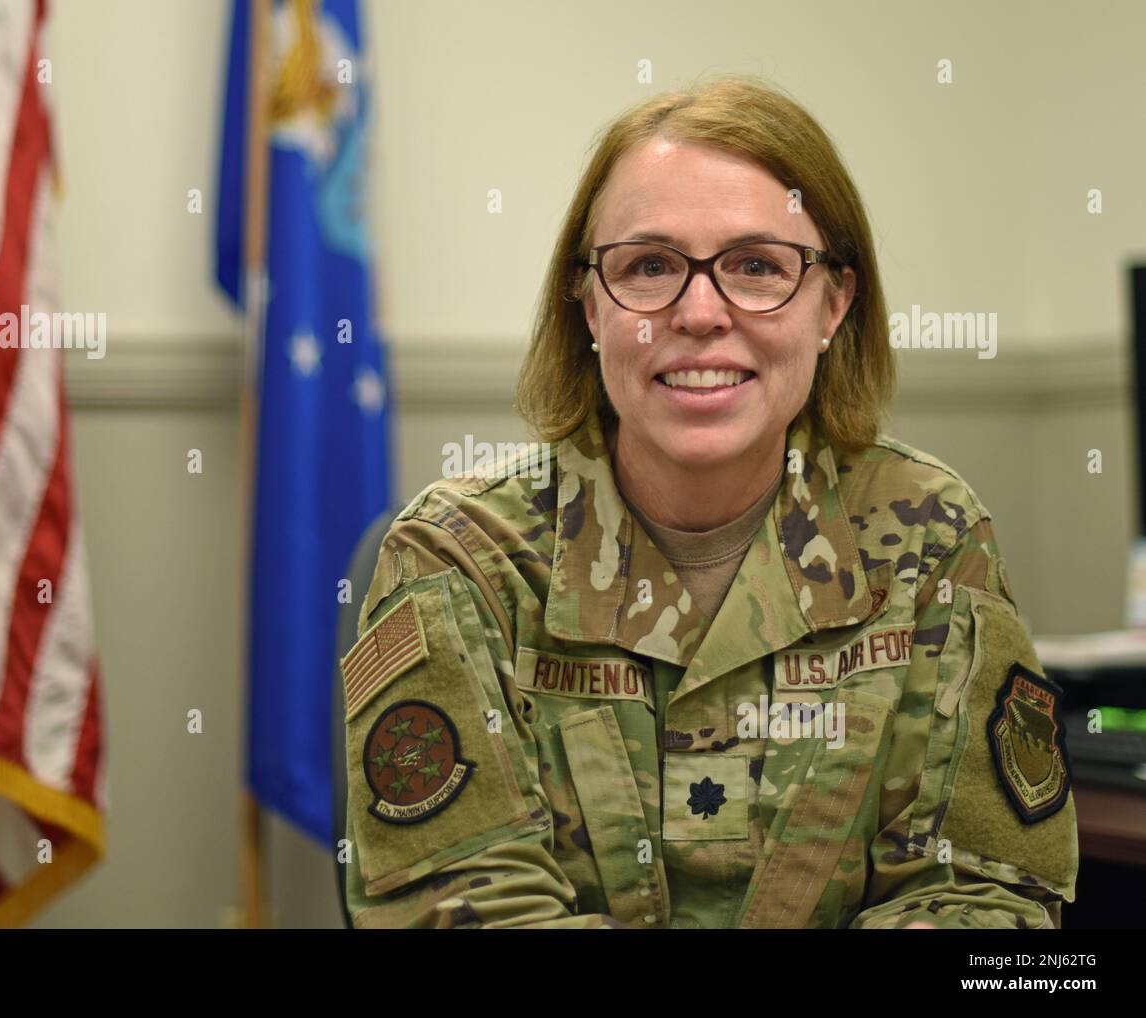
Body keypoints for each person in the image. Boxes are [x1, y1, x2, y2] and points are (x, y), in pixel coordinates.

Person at [337, 74, 1078, 928]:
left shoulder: (933, 535)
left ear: (833, 302)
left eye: (757, 267)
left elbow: (991, 905)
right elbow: (462, 913)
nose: (699, 312)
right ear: (585, 303)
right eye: (649, 267)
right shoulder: (460, 554)